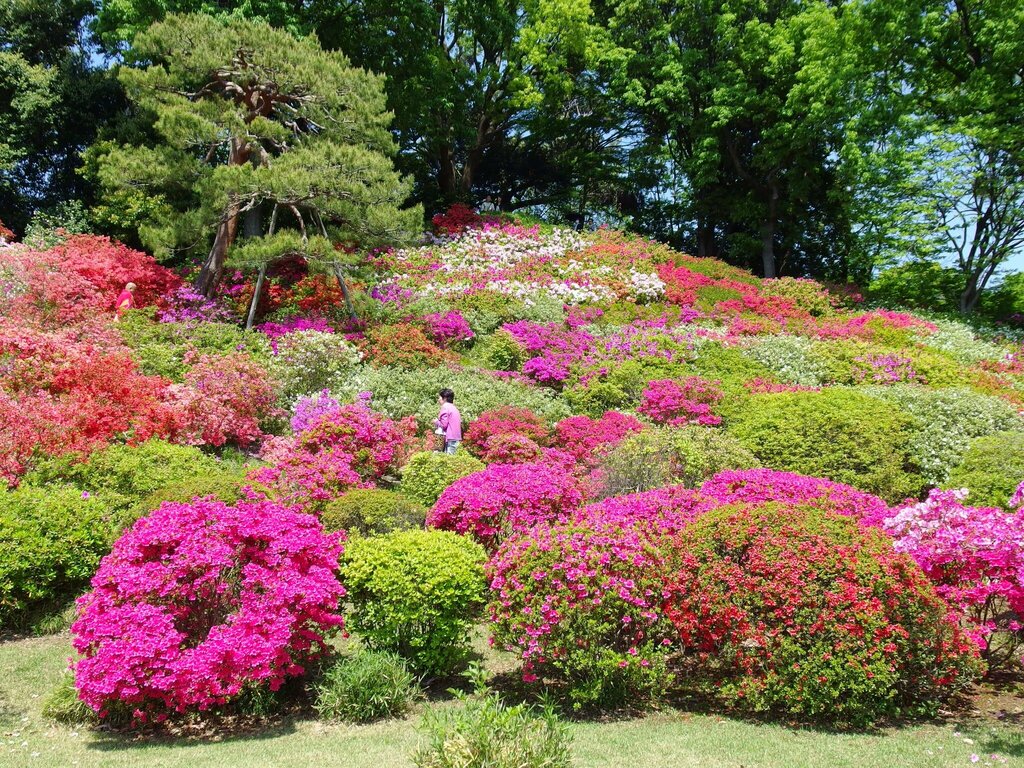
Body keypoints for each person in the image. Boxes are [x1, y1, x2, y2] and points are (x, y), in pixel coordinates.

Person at [434, 388, 462, 454]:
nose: (438, 399)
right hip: (455, 437)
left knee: (448, 461)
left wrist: (436, 422)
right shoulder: (454, 407)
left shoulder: (445, 407)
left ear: (445, 398)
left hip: (449, 438)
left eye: (439, 397)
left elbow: (444, 425)